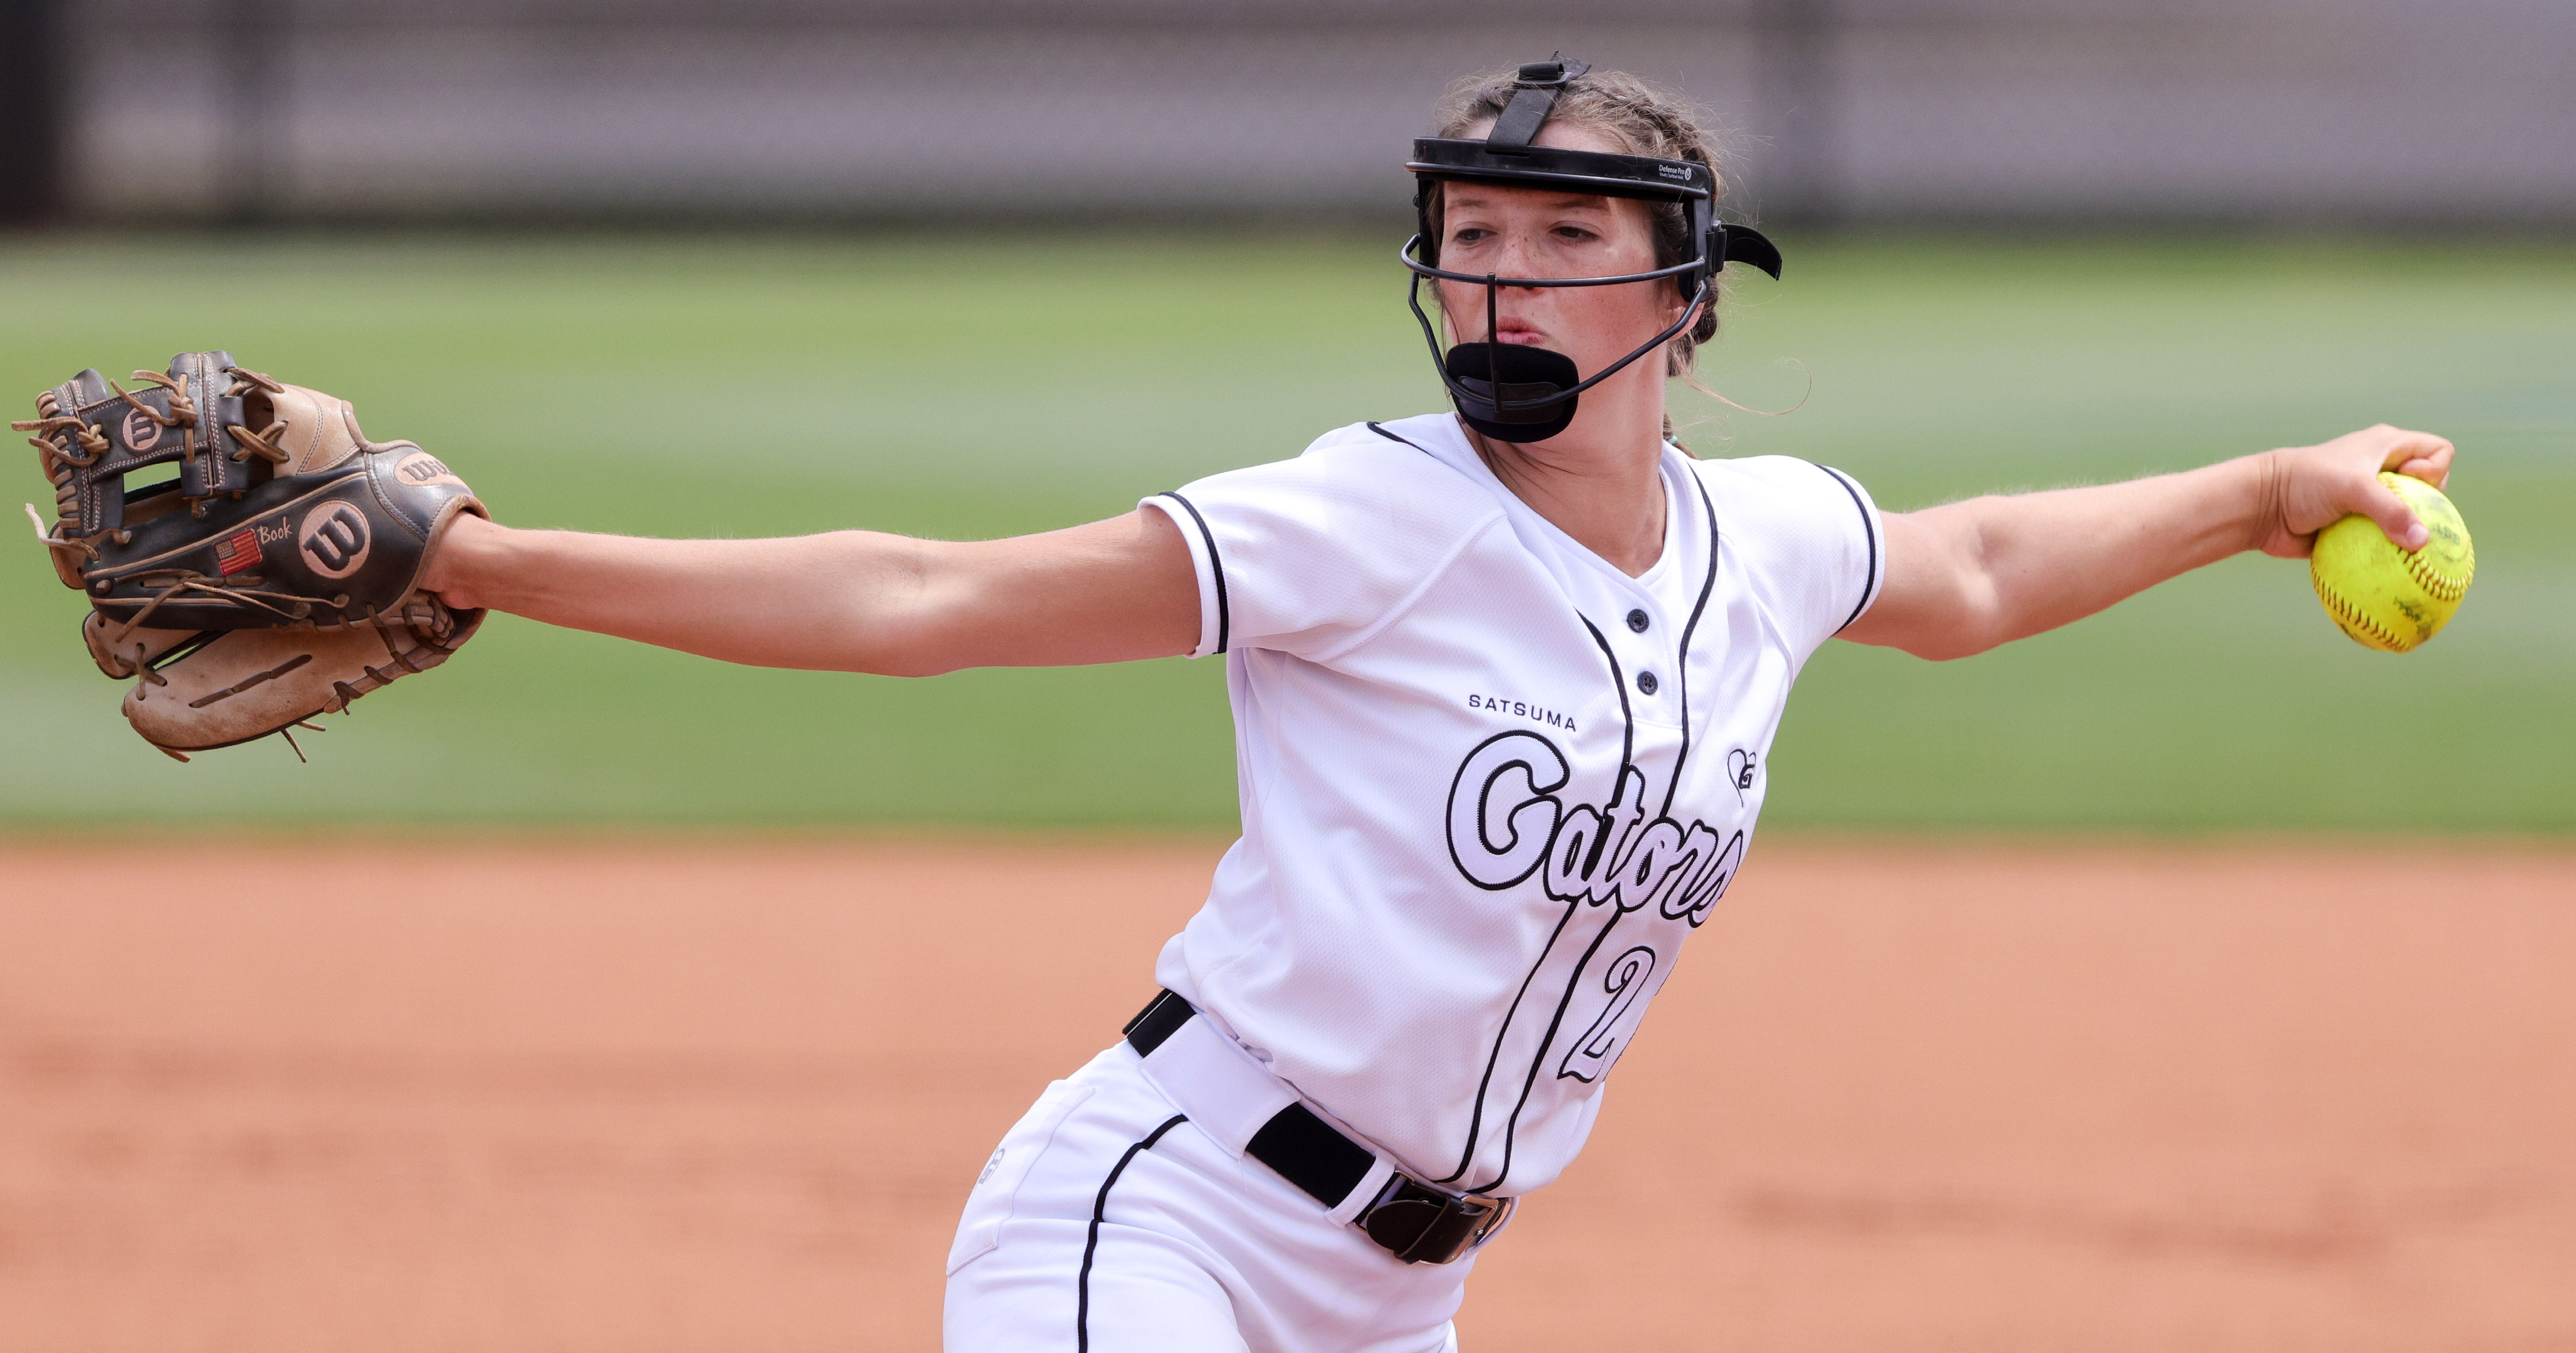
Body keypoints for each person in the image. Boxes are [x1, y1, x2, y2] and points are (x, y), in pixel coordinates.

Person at [420, 58, 2455, 1353]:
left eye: (1563, 241)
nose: (1501, 282)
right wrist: (495, 562)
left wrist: (2268, 495)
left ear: (1681, 291)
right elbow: (926, 595)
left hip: (1407, 1298)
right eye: (1470, 239)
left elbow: (1984, 569)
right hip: (1164, 1218)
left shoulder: (1765, 540)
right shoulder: (1367, 513)